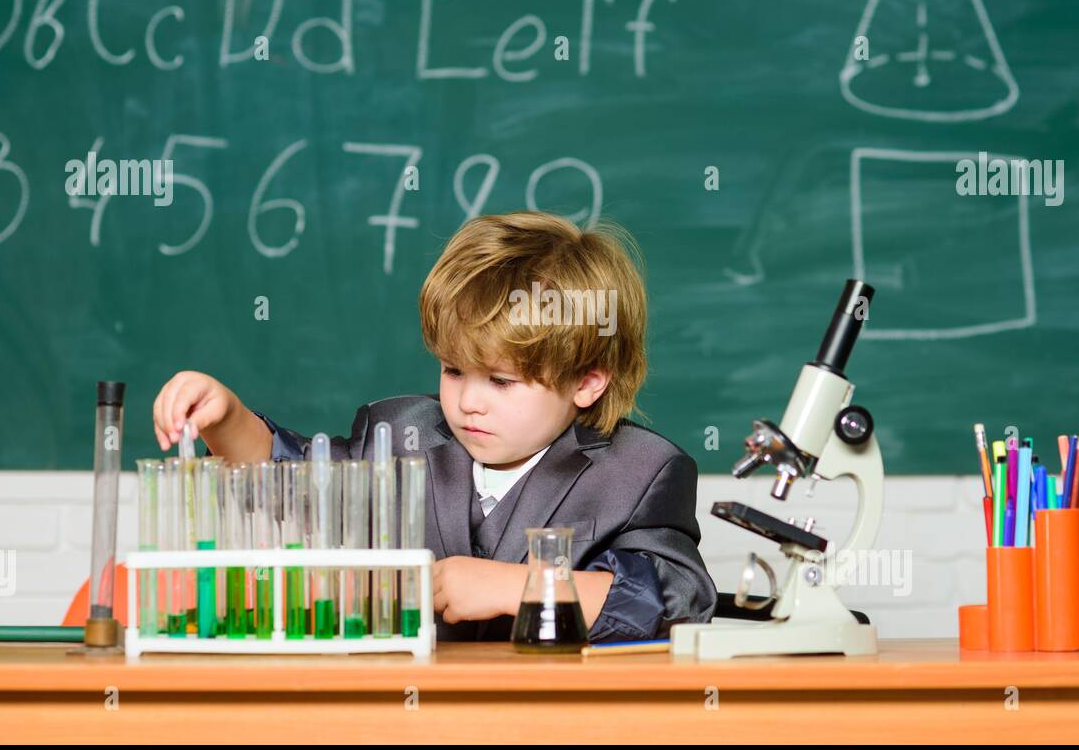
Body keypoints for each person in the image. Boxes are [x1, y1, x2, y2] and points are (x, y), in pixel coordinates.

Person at [150, 211, 716, 642]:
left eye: (501, 381)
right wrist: (226, 418)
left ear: (587, 383)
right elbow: (293, 485)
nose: (468, 401)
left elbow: (677, 603)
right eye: (453, 370)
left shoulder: (640, 472)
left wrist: (521, 586)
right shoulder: (398, 435)